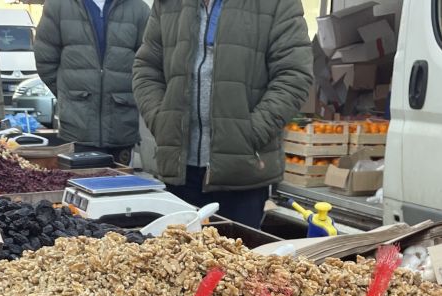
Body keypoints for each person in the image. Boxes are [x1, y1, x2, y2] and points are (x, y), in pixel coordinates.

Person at [132, 0, 312, 229]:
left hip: (242, 176)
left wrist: (249, 136)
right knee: (176, 262)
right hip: (179, 174)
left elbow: (294, 75)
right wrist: (162, 122)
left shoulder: (275, 4)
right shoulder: (169, 4)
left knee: (235, 263)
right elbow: (146, 69)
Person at [34, 0, 150, 158]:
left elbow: (147, 64)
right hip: (77, 128)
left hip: (121, 125)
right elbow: (45, 60)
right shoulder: (58, 6)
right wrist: (68, 95)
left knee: (120, 180)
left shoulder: (138, 9)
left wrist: (131, 97)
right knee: (79, 181)